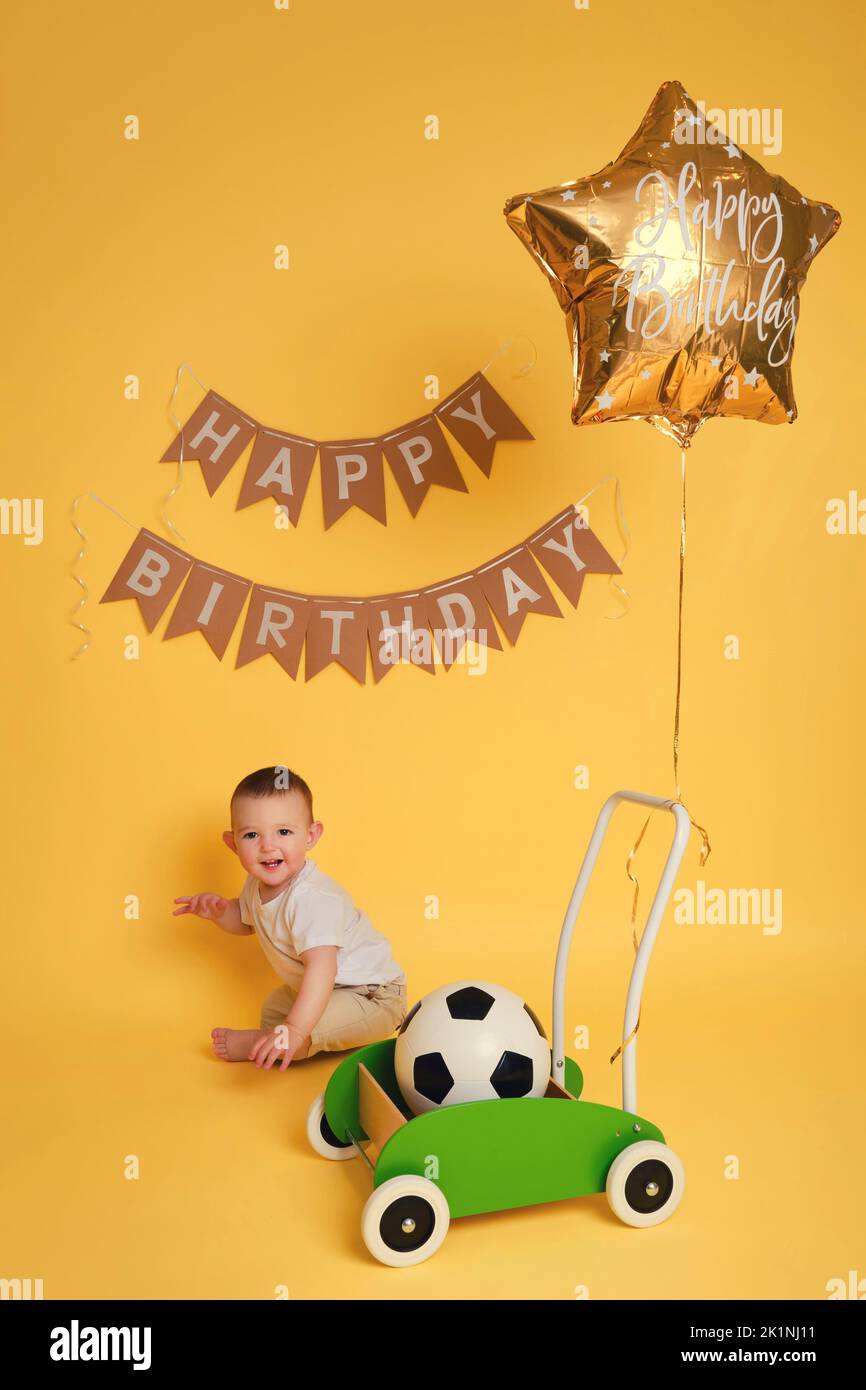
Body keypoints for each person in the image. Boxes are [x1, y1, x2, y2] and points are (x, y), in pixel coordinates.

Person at [174, 765, 407, 1070]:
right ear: (233, 844)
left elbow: (322, 969)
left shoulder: (313, 899)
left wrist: (296, 1030)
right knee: (274, 1012)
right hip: (329, 990)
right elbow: (246, 923)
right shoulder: (255, 885)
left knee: (294, 1031)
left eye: (283, 832)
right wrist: (220, 912)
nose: (268, 846)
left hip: (373, 995)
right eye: (252, 835)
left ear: (310, 836)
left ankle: (273, 1043)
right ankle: (283, 1037)